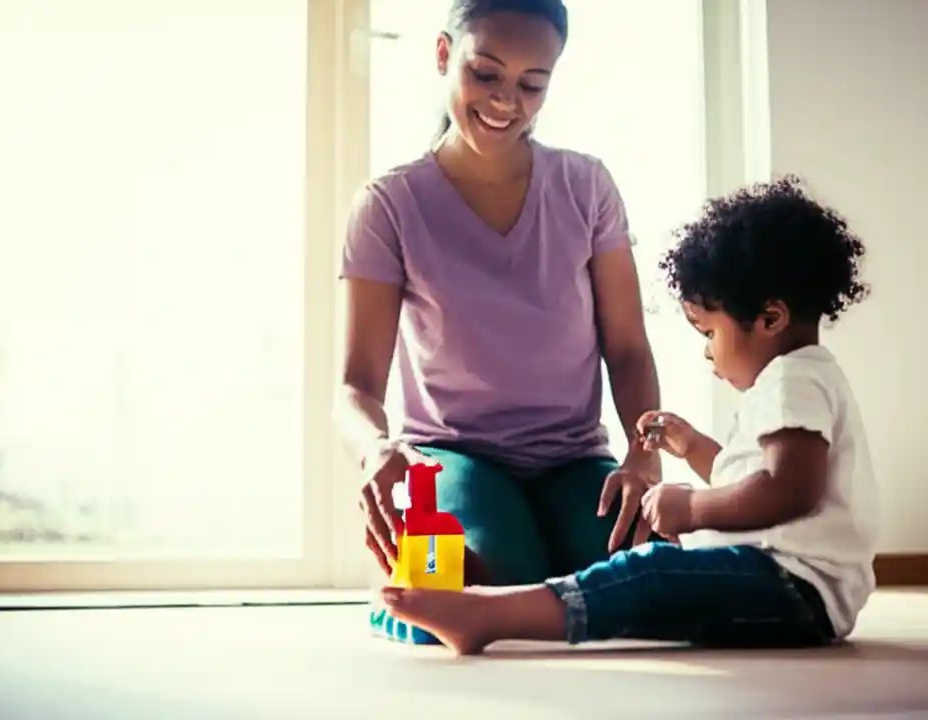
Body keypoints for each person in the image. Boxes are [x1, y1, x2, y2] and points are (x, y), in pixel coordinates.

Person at [378, 176, 880, 654]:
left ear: (770, 319)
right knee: (647, 582)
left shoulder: (794, 381)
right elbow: (755, 475)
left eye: (710, 333)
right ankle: (500, 610)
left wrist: (693, 509)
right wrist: (693, 446)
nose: (708, 354)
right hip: (783, 586)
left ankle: (492, 616)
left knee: (651, 574)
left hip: (790, 588)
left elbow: (788, 489)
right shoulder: (796, 380)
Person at [337, 0, 662, 588]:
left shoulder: (586, 186)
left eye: (532, 84)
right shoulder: (388, 206)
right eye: (484, 73)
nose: (506, 101)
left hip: (574, 458)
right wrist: (375, 449)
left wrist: (644, 455)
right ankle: (422, 582)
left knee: (644, 569)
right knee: (490, 577)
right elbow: (356, 387)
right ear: (443, 55)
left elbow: (629, 349)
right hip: (451, 457)